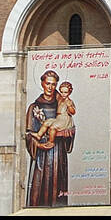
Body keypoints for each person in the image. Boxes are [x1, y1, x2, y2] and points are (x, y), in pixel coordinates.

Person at [25, 70, 75, 206]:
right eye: (47, 83)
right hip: (42, 156)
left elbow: (70, 125)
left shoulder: (61, 104)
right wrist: (39, 145)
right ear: (42, 83)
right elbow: (29, 134)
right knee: (39, 188)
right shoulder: (34, 107)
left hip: (59, 154)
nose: (50, 87)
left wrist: (67, 134)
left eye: (53, 84)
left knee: (58, 187)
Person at [29, 82, 75, 151]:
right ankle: (39, 135)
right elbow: (55, 92)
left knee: (53, 127)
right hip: (58, 118)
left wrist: (69, 106)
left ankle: (51, 142)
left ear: (69, 92)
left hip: (64, 120)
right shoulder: (60, 99)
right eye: (61, 92)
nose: (63, 94)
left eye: (65, 92)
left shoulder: (69, 101)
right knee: (47, 122)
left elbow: (73, 112)